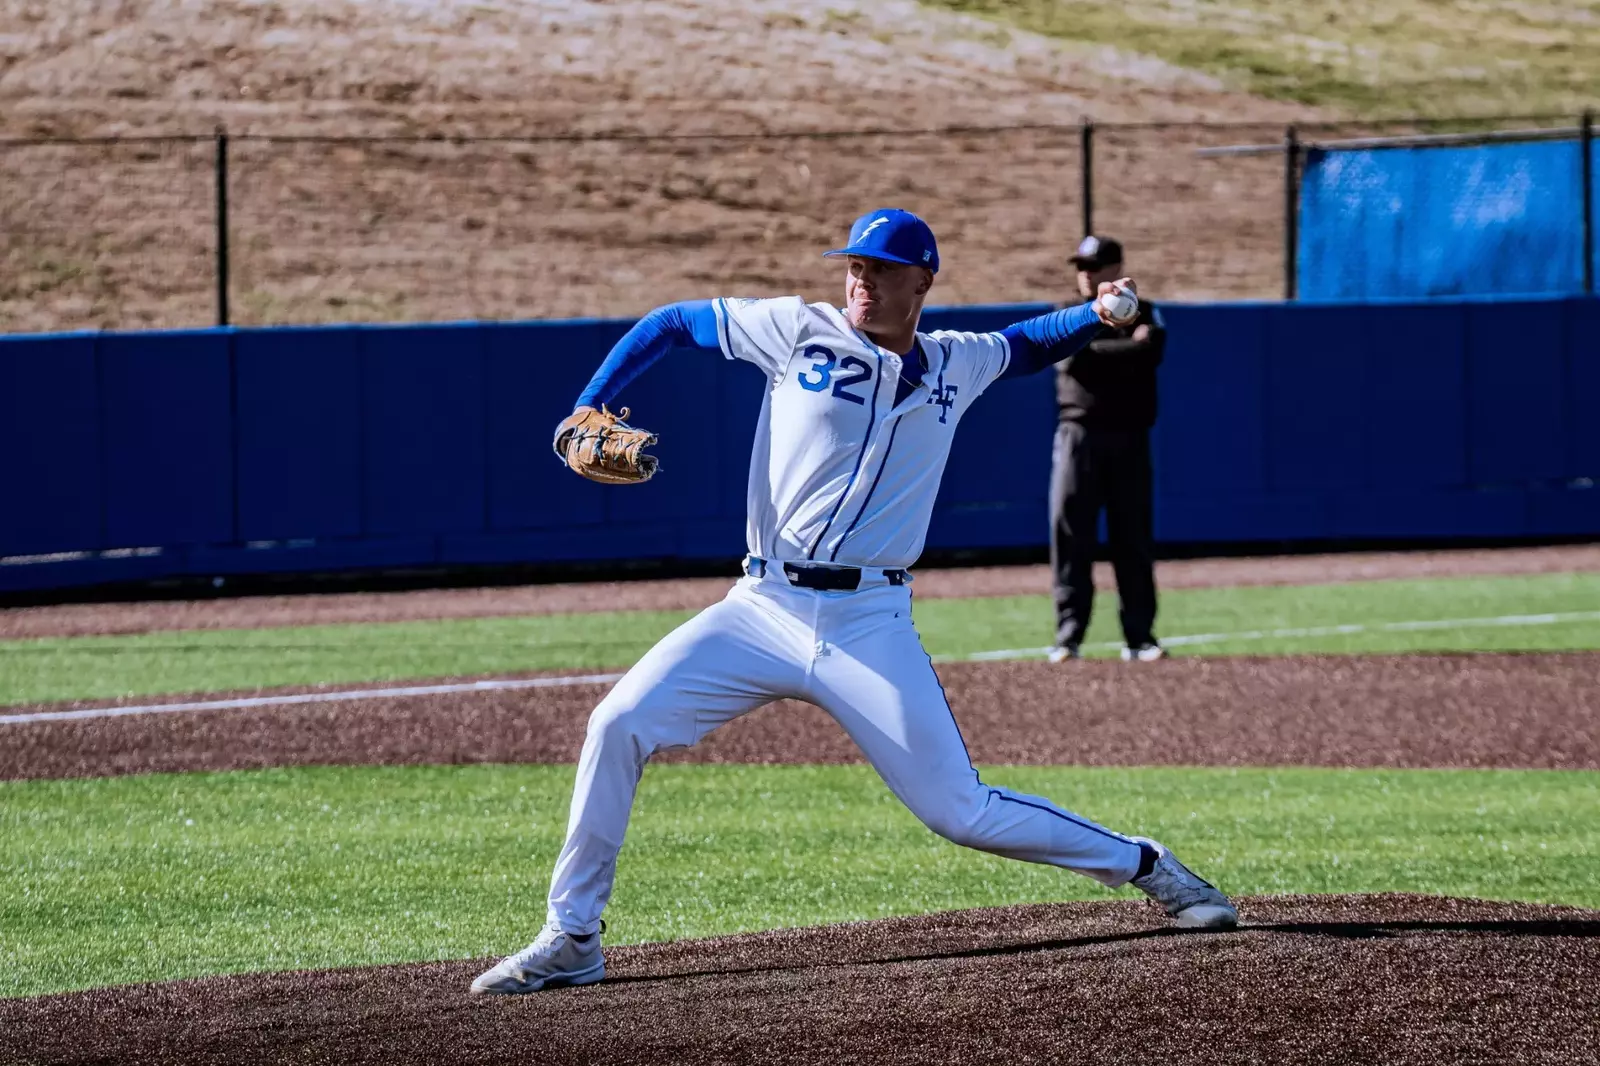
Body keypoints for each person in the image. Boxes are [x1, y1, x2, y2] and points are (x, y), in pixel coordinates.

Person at [470, 209, 1235, 996]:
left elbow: (1030, 344)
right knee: (617, 722)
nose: (859, 280)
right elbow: (672, 323)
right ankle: (572, 936)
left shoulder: (953, 364)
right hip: (760, 606)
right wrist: (588, 401)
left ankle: (1147, 865)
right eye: (854, 266)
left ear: (922, 282)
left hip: (869, 622)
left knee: (959, 811)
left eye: (878, 269)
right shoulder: (794, 331)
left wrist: (1102, 311)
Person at [1048, 235, 1168, 664]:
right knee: (1070, 538)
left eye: (1095, 265)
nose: (1086, 273)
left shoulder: (1147, 311)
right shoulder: (1068, 314)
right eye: (1081, 265)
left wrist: (1106, 350)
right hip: (1078, 438)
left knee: (1132, 539)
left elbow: (1152, 350)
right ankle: (1068, 637)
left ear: (1117, 268)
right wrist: (1127, 348)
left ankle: (1139, 637)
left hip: (1129, 438)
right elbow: (1071, 360)